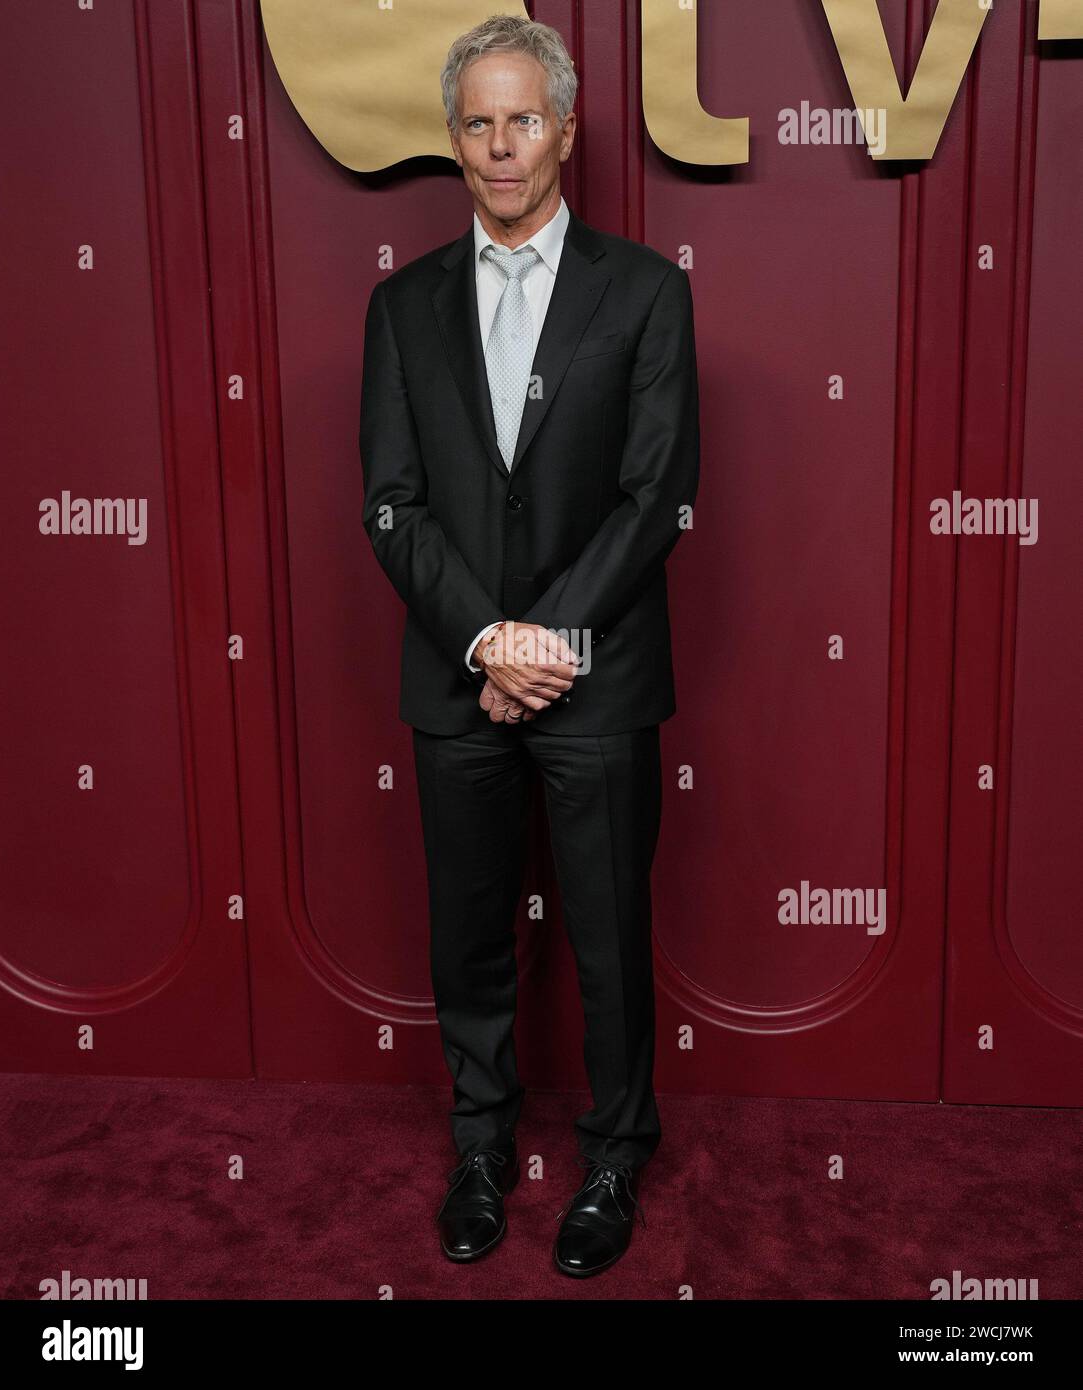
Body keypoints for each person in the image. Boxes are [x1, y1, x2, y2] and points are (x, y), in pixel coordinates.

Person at [359, 13, 699, 1278]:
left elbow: (655, 492)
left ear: (564, 131)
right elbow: (389, 504)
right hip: (457, 685)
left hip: (599, 679)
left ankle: (614, 1157)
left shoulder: (646, 291)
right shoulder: (401, 307)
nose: (502, 147)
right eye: (477, 122)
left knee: (607, 934)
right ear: (454, 139)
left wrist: (546, 637)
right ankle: (482, 1149)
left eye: (523, 120)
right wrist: (484, 641)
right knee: (468, 936)